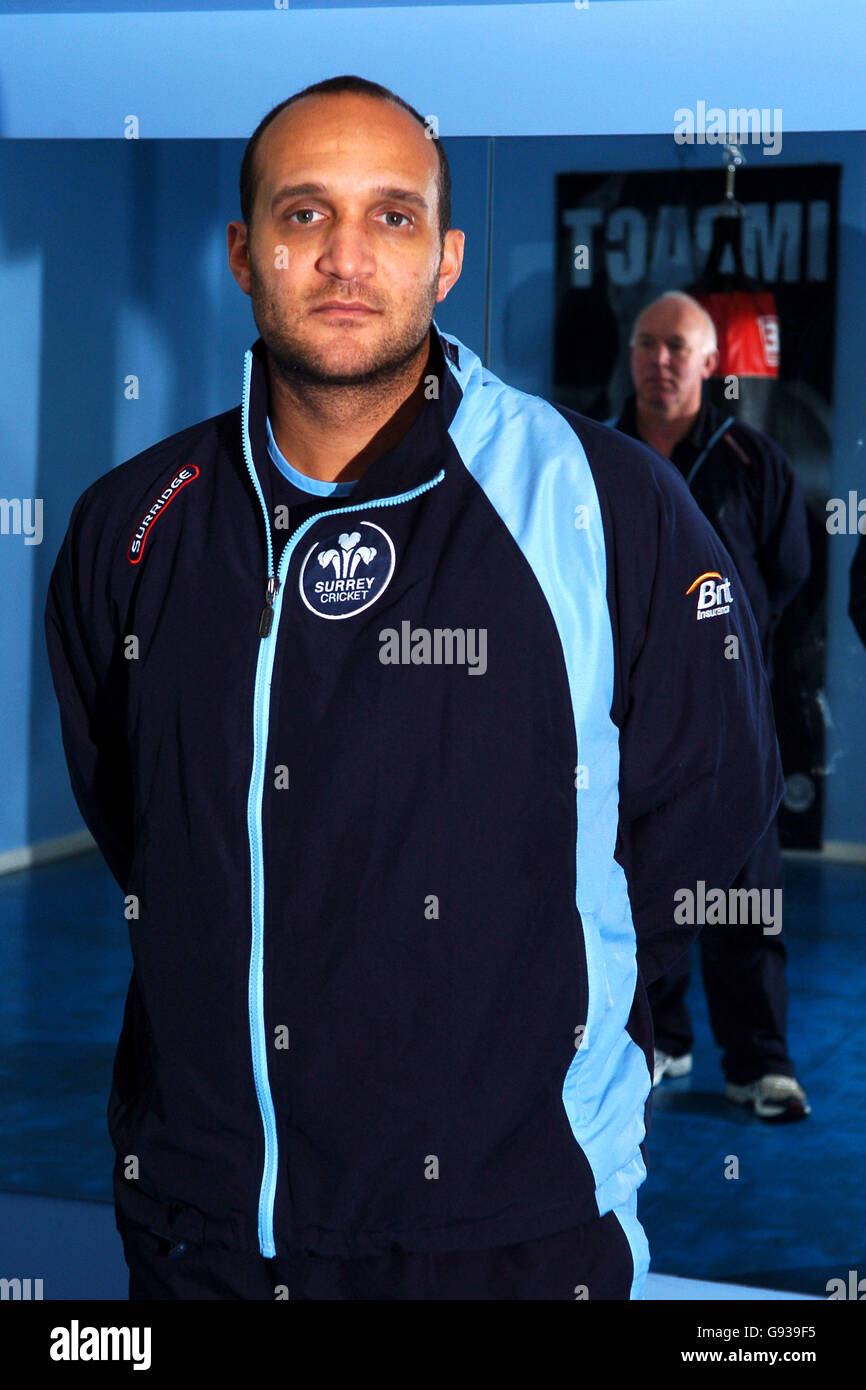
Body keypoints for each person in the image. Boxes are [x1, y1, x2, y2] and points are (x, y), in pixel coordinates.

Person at [45, 78, 782, 1301]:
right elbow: (147, 831)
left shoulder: (605, 504)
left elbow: (701, 812)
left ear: (444, 261)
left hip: (511, 1235)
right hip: (211, 1230)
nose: (345, 256)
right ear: (243, 253)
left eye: (391, 218)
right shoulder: (133, 525)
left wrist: (532, 992)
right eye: (303, 215)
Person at [610, 290, 811, 1122]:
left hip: (733, 720)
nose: (661, 361)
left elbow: (790, 576)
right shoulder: (595, 454)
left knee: (742, 894)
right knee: (637, 887)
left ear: (708, 363)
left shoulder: (754, 463)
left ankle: (759, 1064)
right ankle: (661, 1040)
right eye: (648, 345)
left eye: (677, 348)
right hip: (625, 718)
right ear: (631, 355)